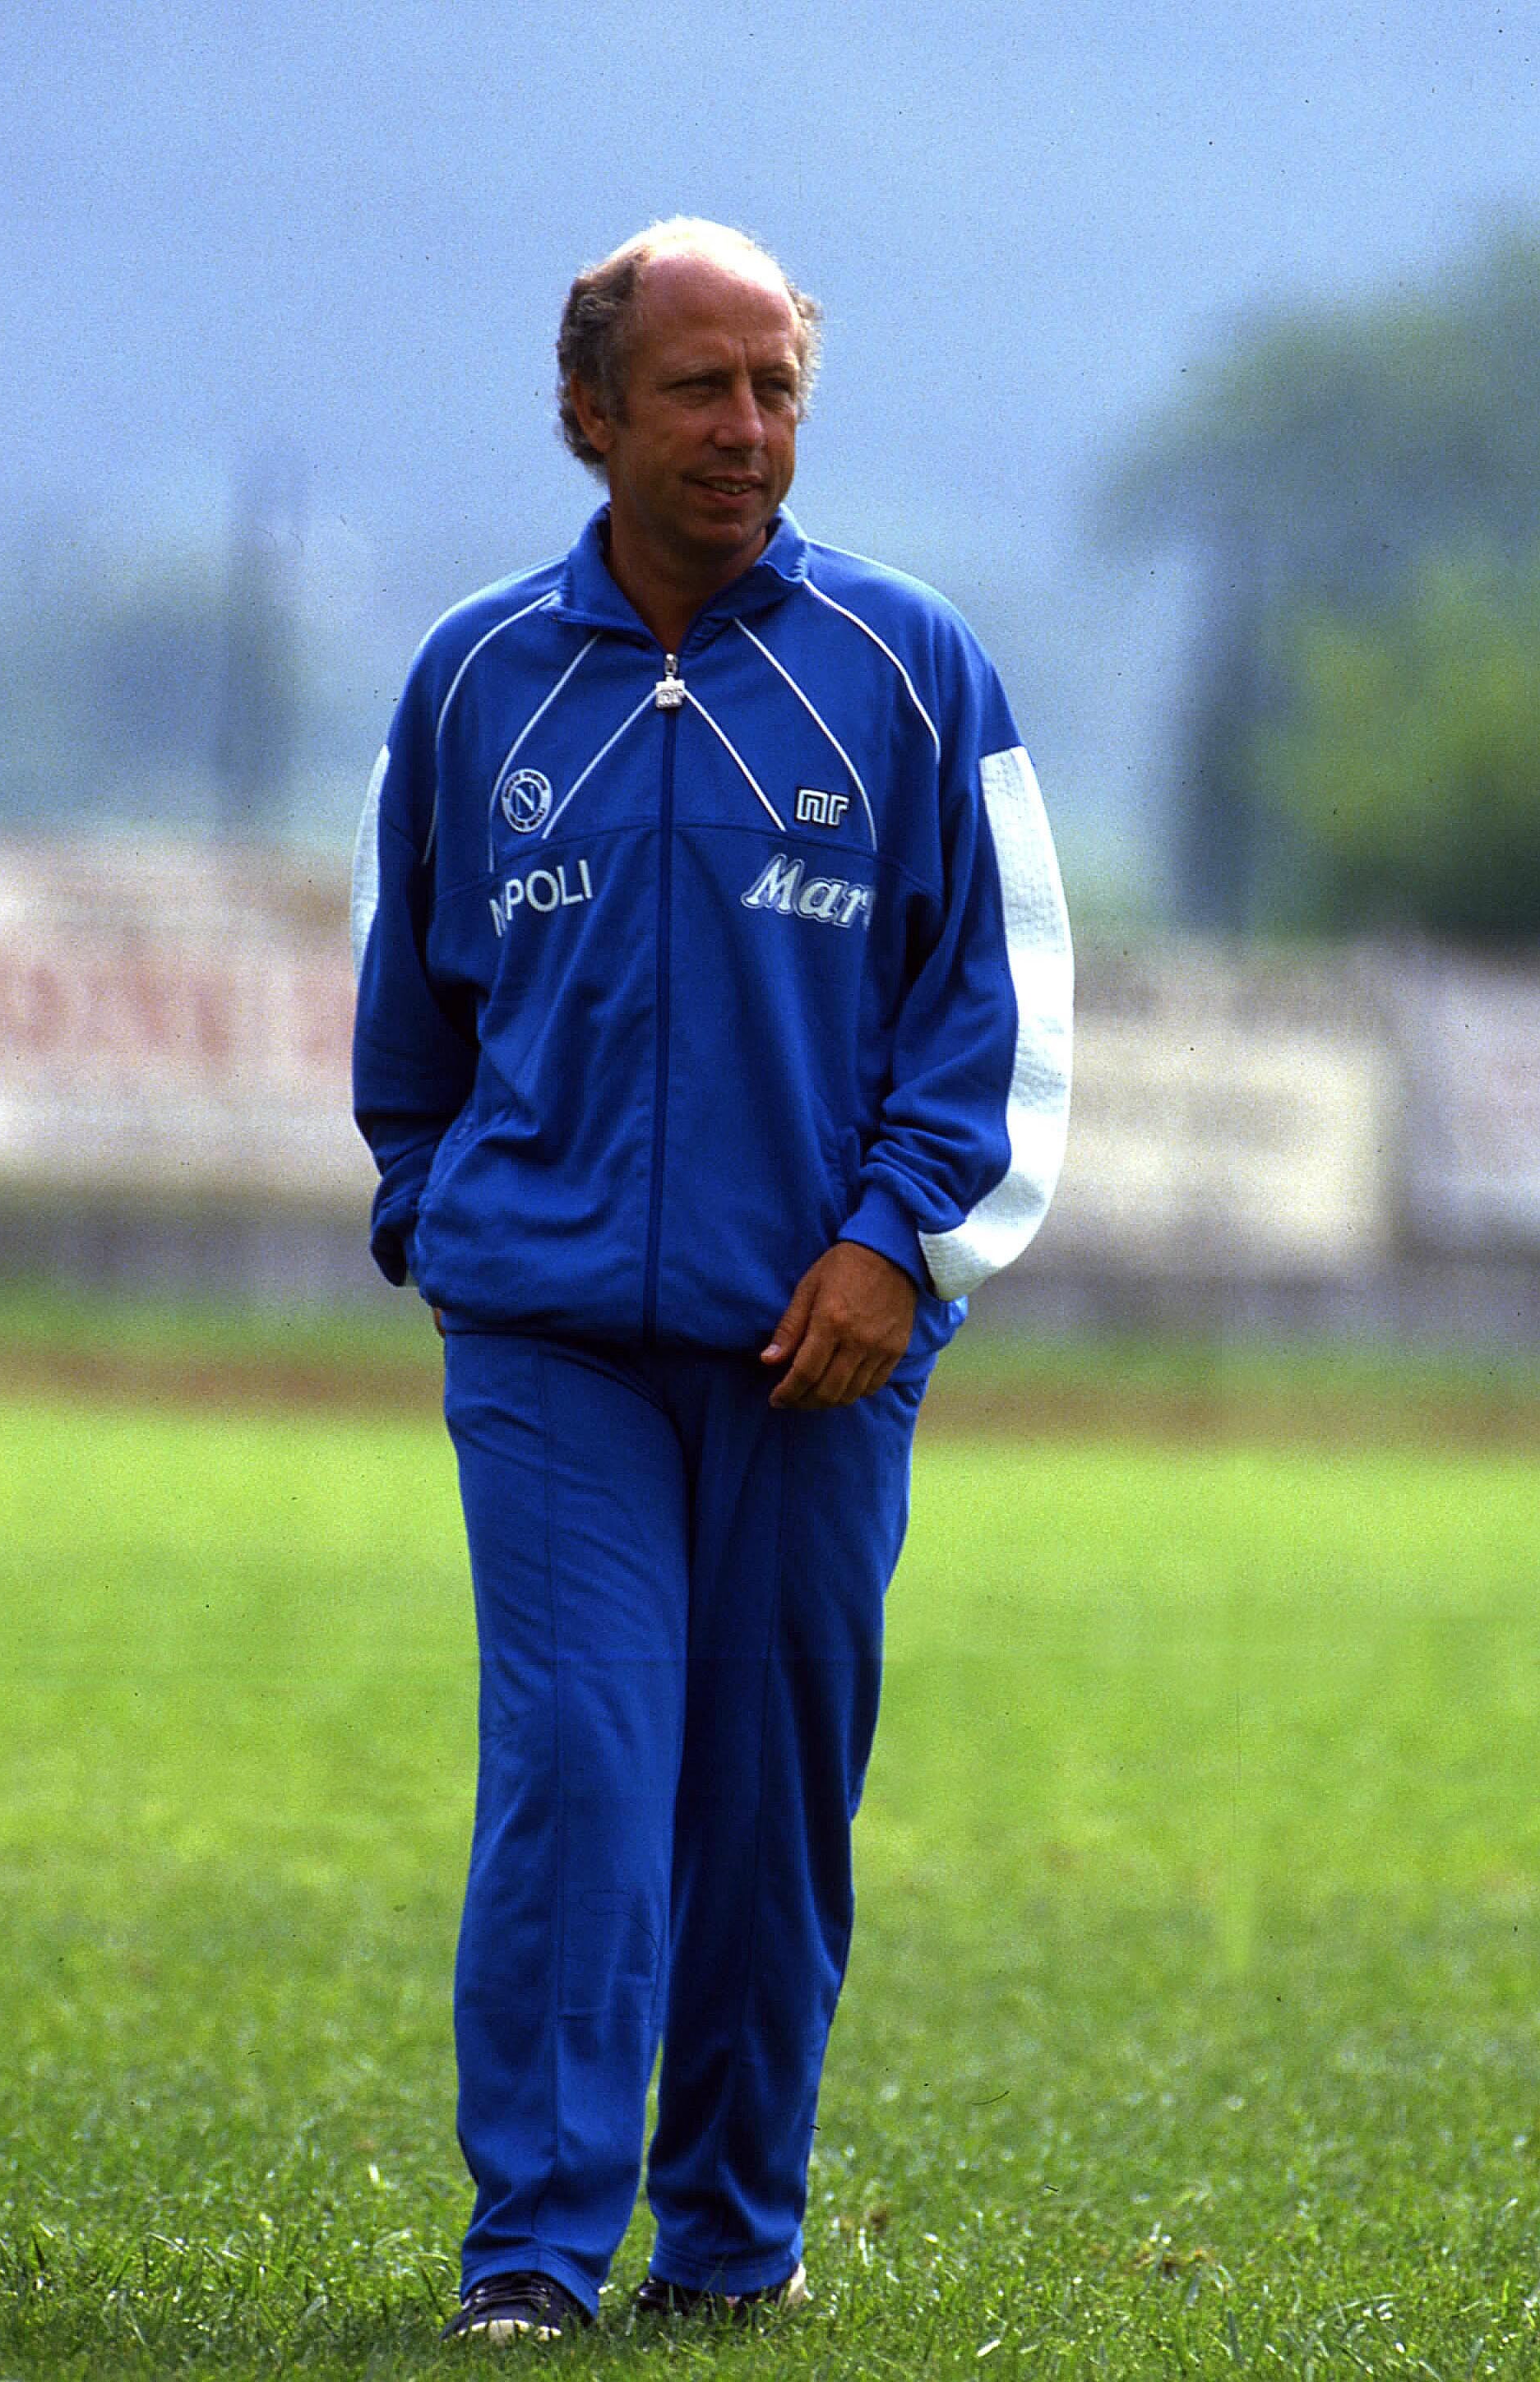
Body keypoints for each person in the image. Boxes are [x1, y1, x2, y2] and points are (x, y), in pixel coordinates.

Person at [350, 217, 1072, 2347]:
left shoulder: (913, 670)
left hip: (821, 1348)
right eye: (699, 387)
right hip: (550, 1341)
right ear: (590, 411)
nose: (745, 430)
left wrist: (896, 1246)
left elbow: (1004, 1021)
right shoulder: (475, 680)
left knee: (764, 1805)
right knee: (580, 1760)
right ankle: (535, 2254)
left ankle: (731, 2236)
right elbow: (409, 1018)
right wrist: (446, 1223)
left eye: (773, 389)